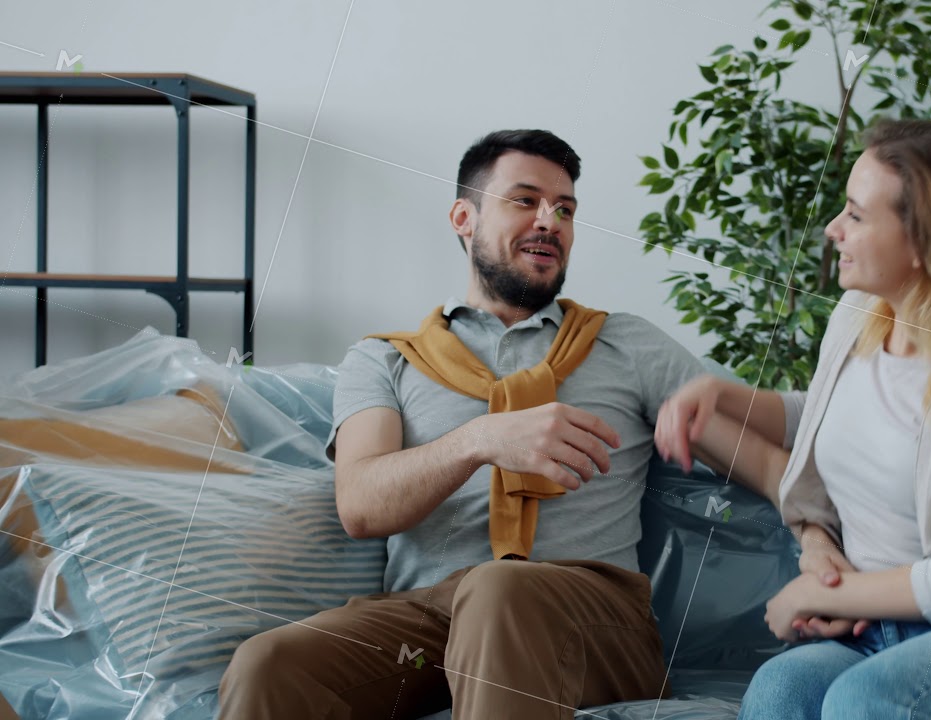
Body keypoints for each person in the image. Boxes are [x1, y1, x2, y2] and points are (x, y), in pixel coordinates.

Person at [217, 129, 708, 719]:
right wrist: (481, 441)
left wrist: (812, 534)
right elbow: (362, 505)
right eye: (525, 200)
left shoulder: (625, 344)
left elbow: (758, 444)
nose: (549, 221)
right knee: (268, 666)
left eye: (565, 209)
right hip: (432, 622)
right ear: (463, 217)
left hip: (594, 618)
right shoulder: (387, 359)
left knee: (498, 591)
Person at [655, 118, 931, 720]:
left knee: (864, 701)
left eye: (855, 214)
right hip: (870, 630)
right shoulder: (860, 313)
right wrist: (720, 395)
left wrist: (813, 591)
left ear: (926, 241)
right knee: (778, 691)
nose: (832, 230)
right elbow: (824, 418)